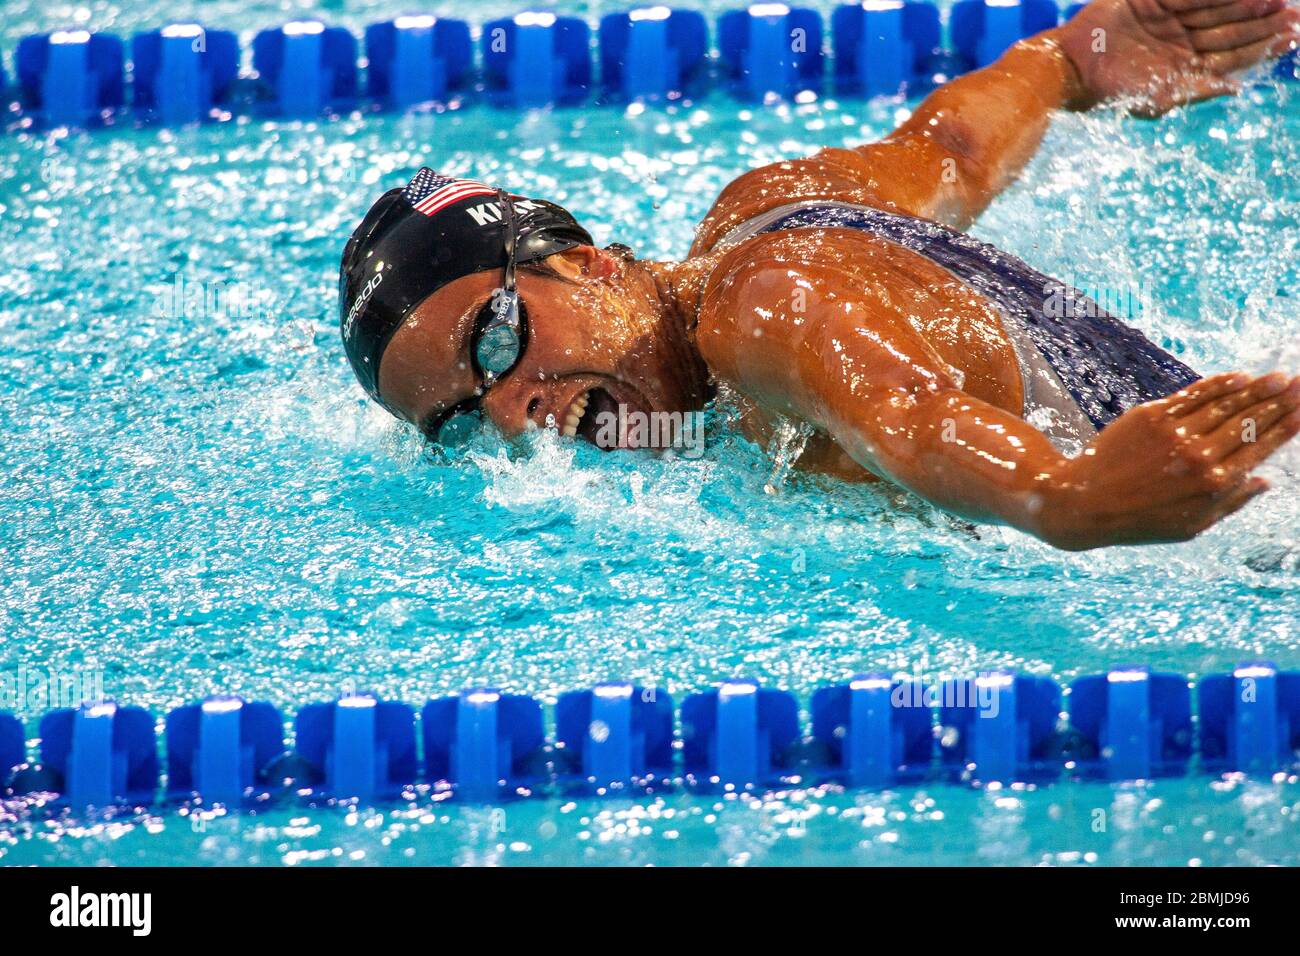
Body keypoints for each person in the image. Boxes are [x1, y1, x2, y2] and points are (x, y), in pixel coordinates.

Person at [338, 0, 1300, 551]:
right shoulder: (768, 203)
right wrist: (1069, 60)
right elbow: (953, 149)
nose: (511, 415)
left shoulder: (763, 310)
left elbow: (910, 413)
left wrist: (1064, 496)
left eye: (495, 342)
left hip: (1236, 513)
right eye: (462, 417)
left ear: (584, 264)